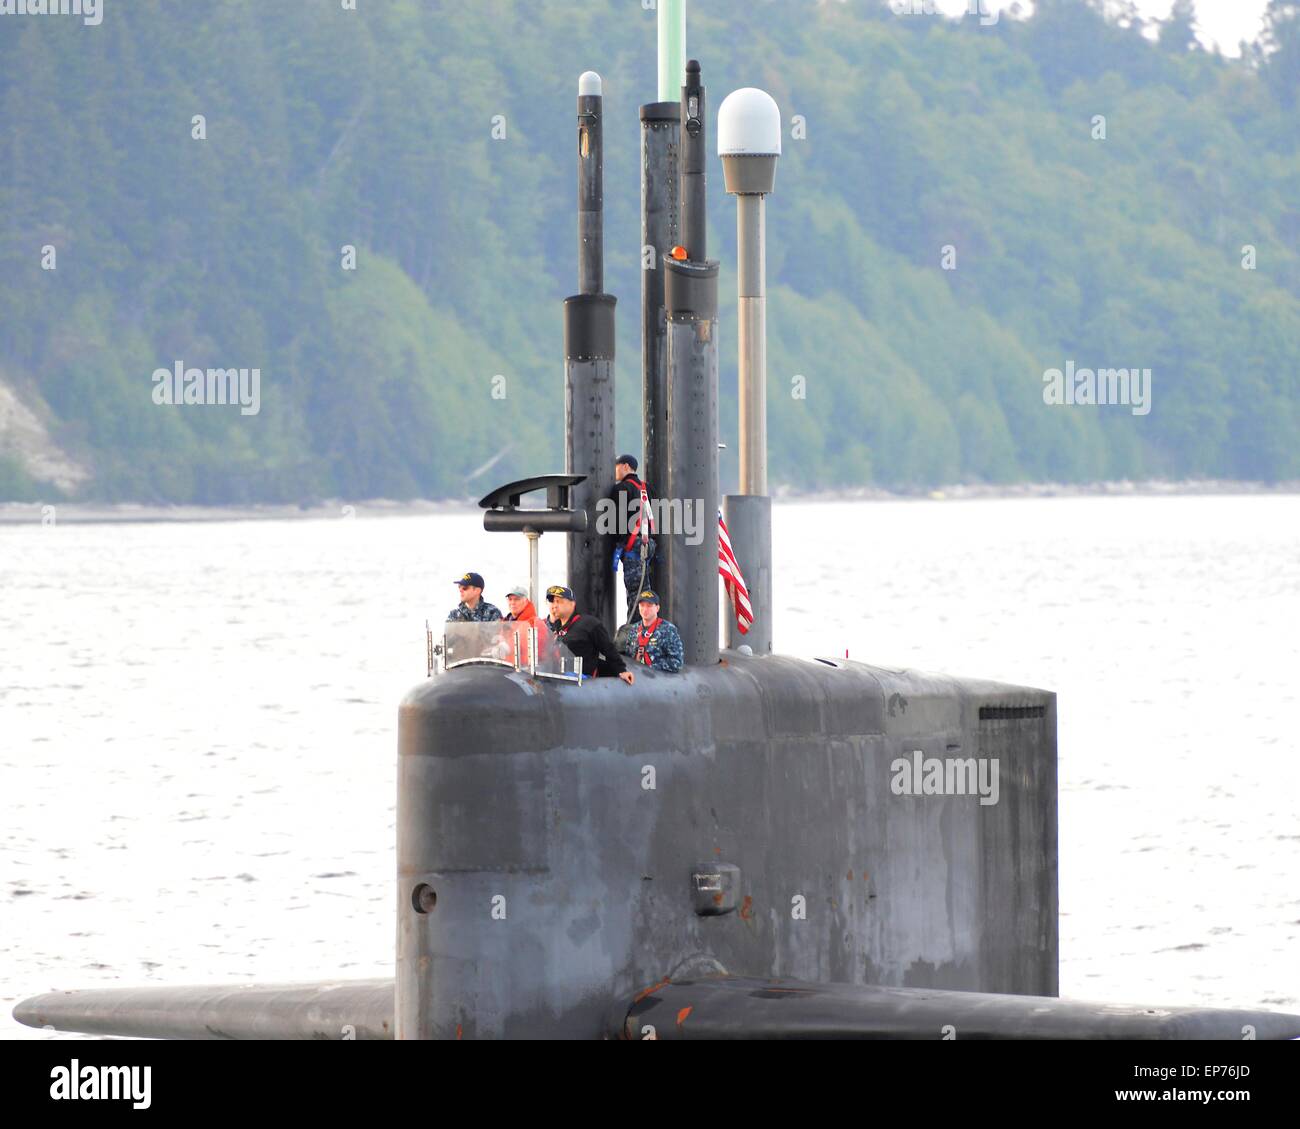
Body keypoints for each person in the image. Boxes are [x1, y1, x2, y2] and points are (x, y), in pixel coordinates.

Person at [544, 584, 634, 684]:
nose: (554, 605)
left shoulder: (589, 624)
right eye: (552, 601)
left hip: (582, 680)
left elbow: (608, 649)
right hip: (558, 678)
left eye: (559, 601)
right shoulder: (553, 629)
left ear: (572, 604)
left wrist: (621, 670)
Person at [608, 454, 656, 623]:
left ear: (625, 466)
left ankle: (635, 629)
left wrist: (617, 543)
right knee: (644, 589)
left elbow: (616, 522)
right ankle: (646, 627)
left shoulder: (621, 489)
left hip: (632, 546)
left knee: (635, 594)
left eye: (616, 466)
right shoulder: (647, 488)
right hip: (648, 544)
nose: (614, 471)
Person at [622, 590, 684, 673]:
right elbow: (628, 657)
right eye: (642, 605)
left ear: (657, 608)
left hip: (657, 678)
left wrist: (650, 666)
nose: (645, 609)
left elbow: (677, 662)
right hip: (637, 676)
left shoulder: (668, 630)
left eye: (649, 606)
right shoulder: (634, 629)